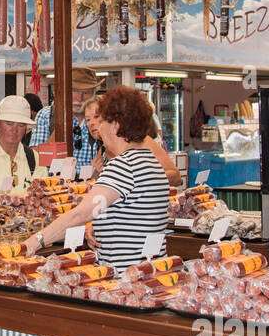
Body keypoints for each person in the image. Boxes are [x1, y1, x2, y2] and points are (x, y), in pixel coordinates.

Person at [24, 86, 172, 274]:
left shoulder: (123, 165)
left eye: (102, 121)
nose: (98, 128)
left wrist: (33, 242)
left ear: (116, 126)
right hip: (149, 273)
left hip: (125, 278)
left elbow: (80, 214)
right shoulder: (149, 160)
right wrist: (101, 225)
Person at [30, 67, 101, 171]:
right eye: (75, 91)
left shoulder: (102, 118)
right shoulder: (47, 115)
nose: (80, 98)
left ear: (93, 94)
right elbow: (34, 158)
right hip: (54, 185)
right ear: (65, 91)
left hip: (91, 184)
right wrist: (60, 128)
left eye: (86, 93)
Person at [82, 97, 108, 179]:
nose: (91, 123)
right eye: (88, 120)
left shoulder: (122, 146)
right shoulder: (102, 149)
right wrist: (94, 172)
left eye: (96, 117)